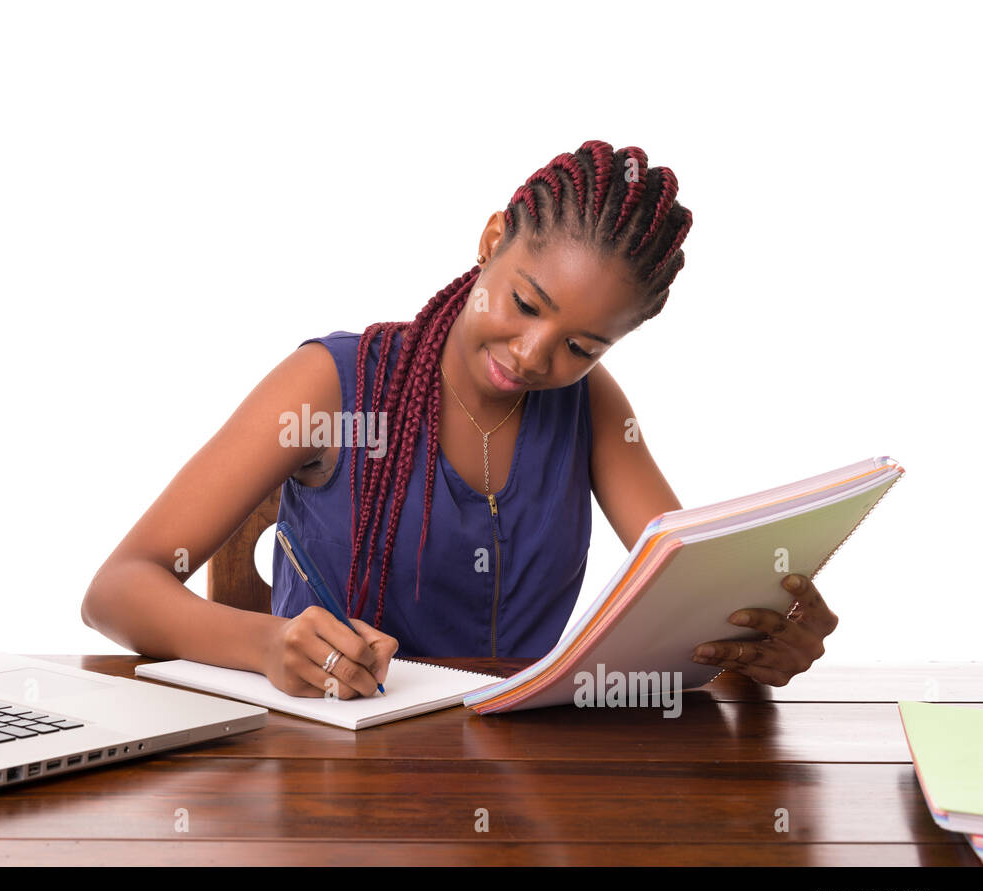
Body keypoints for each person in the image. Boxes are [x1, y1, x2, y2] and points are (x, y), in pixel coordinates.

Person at [81, 139, 838, 699]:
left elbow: (690, 595)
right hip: (329, 777)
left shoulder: (592, 410)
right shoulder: (332, 388)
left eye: (581, 344)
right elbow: (118, 589)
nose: (534, 355)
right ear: (492, 241)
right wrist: (269, 642)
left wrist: (761, 641)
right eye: (525, 303)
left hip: (516, 778)